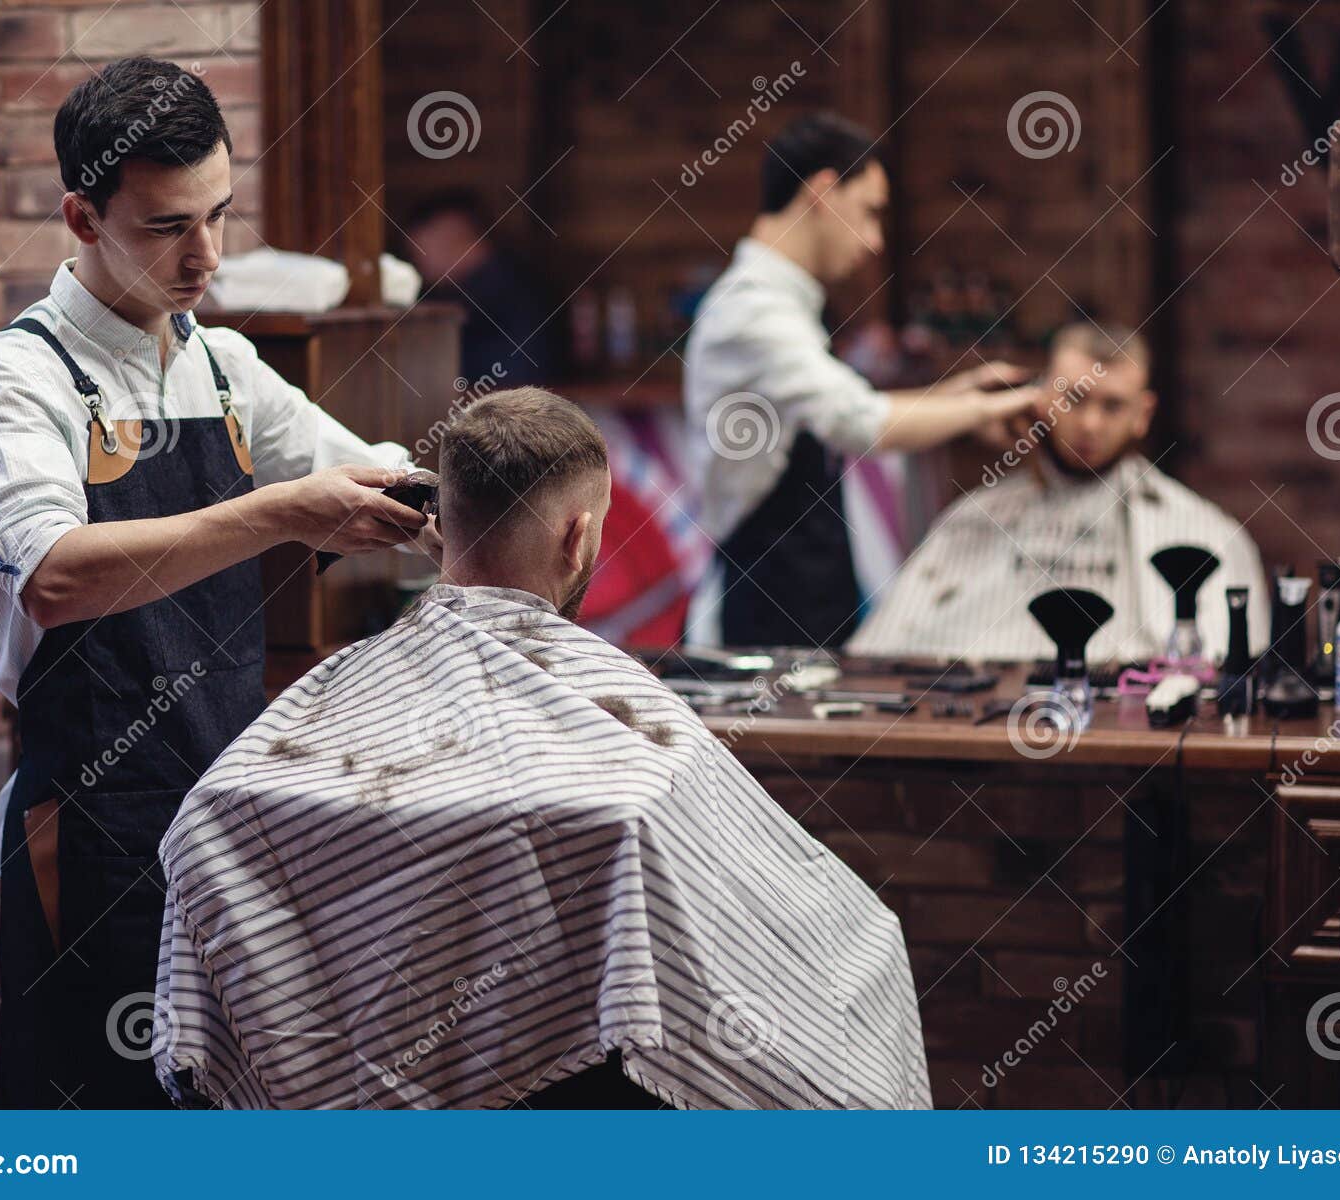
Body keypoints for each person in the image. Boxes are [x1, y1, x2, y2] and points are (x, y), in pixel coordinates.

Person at [154, 388, 931, 1110]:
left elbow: (206, 831)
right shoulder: (634, 786)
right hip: (575, 1108)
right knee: (867, 946)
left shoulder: (278, 751)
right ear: (579, 534)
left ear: (441, 520)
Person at [0, 57, 438, 1109]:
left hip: (223, 818)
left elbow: (376, 479)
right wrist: (282, 513)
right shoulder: (17, 381)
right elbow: (56, 579)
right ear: (83, 215)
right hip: (94, 829)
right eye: (169, 227)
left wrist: (487, 494)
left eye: (219, 214)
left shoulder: (221, 369)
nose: (207, 256)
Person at [684, 111, 1046, 650]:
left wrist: (960, 392)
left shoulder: (782, 307)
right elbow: (858, 421)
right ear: (824, 193)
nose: (876, 241)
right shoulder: (751, 312)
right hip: (762, 613)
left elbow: (848, 401)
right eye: (869, 212)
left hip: (804, 601)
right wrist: (995, 408)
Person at [847, 323, 1271, 662]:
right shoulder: (976, 516)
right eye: (1075, 399)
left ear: (1143, 414)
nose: (1090, 424)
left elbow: (1232, 677)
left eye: (1112, 406)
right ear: (1042, 396)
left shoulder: (1203, 531)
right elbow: (879, 656)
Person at [403, 189, 559, 387]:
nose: (417, 263)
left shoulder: (499, 286)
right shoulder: (484, 284)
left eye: (419, 249)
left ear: (450, 235)